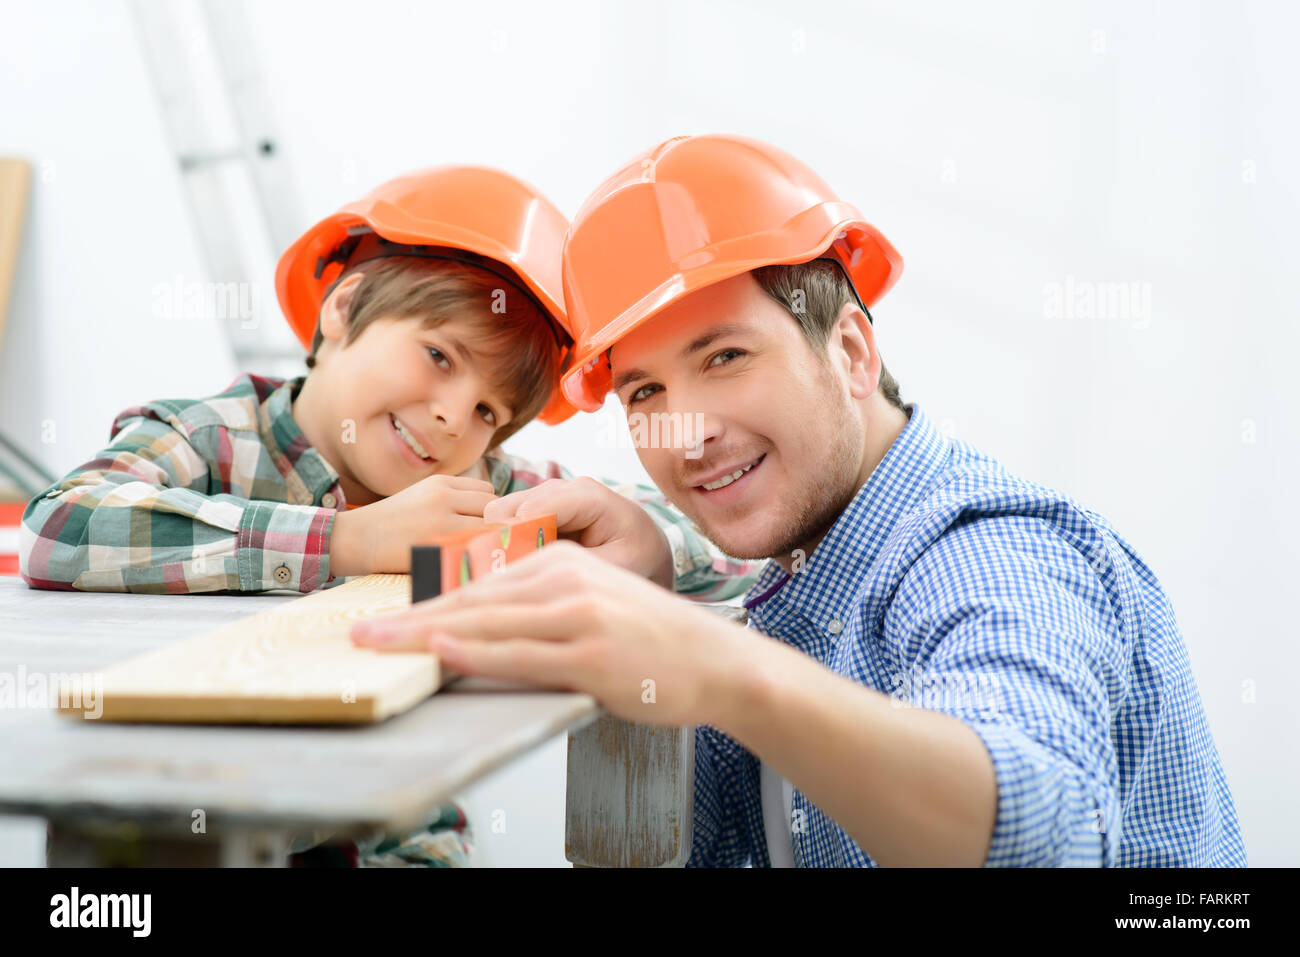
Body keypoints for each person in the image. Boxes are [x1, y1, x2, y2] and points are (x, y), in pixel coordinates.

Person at [353, 135, 1247, 868]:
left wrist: (713, 664)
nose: (687, 435)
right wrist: (656, 621)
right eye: (645, 395)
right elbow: (627, 851)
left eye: (725, 358)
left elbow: (1041, 838)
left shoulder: (989, 550)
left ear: (852, 352)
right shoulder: (786, 577)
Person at [19, 164, 760, 866]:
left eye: (487, 412)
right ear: (343, 308)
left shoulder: (477, 488)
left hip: (400, 838)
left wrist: (646, 547)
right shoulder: (214, 436)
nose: (449, 417)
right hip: (195, 823)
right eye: (440, 356)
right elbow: (60, 526)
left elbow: (734, 562)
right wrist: (346, 539)